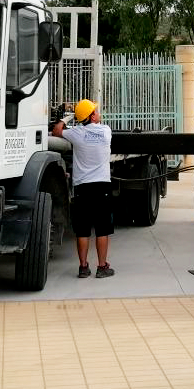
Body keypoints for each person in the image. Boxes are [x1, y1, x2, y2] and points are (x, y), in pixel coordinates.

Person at [54, 98, 115, 278]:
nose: (98, 112)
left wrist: (69, 117)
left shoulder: (76, 133)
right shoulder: (106, 131)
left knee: (83, 229)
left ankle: (83, 267)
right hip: (102, 186)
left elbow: (56, 130)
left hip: (82, 187)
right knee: (102, 229)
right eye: (95, 110)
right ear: (92, 116)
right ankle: (102, 267)